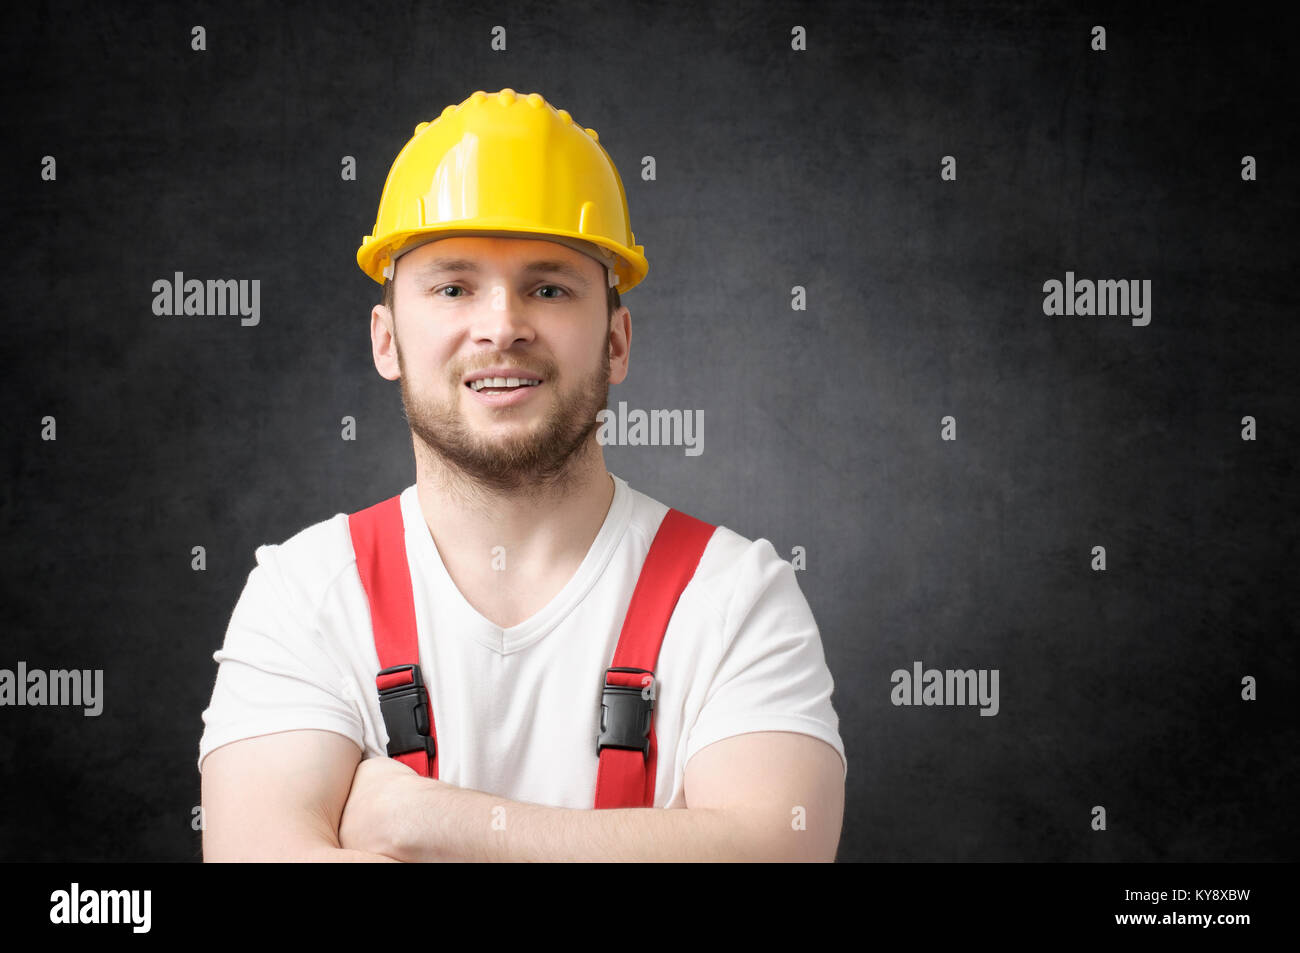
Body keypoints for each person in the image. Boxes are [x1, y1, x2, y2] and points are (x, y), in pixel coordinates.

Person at [197, 88, 846, 862]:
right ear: (386, 341)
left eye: (549, 287)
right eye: (452, 287)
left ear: (615, 340)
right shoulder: (303, 595)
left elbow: (774, 853)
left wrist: (428, 820)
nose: (502, 325)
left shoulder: (736, 596)